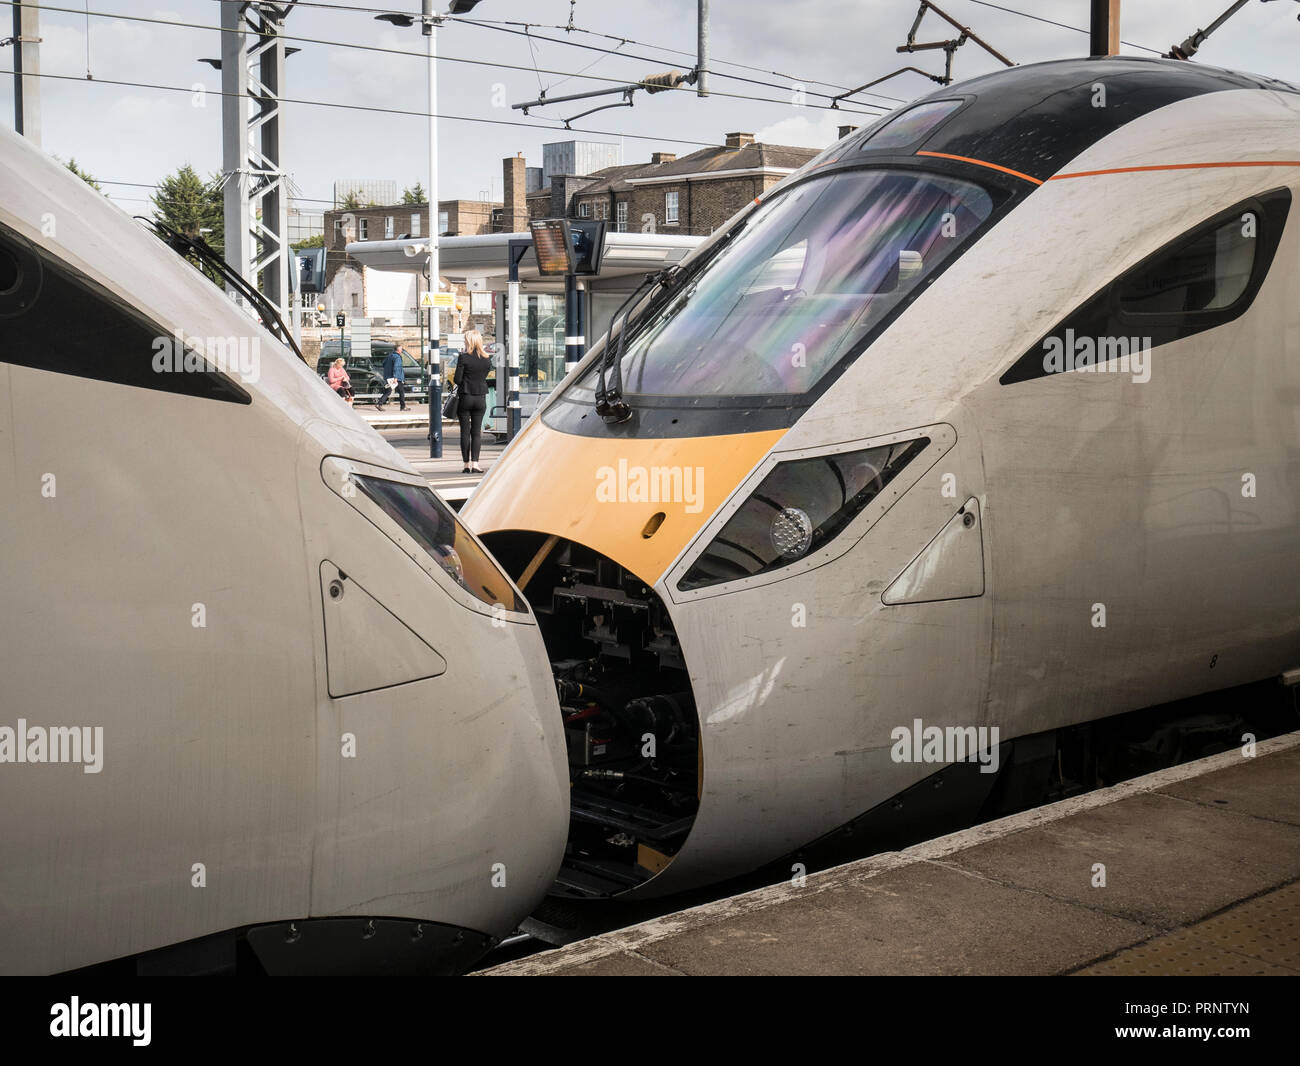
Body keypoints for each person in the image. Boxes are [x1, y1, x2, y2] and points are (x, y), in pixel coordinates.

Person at [453, 329, 492, 474]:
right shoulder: (487, 359)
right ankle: (475, 463)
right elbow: (484, 375)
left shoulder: (463, 358)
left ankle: (466, 465)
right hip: (480, 397)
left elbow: (457, 379)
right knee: (476, 432)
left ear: (468, 341)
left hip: (466, 397)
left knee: (465, 432)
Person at [378, 344, 408, 411]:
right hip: (396, 378)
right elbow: (396, 367)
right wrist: (395, 377)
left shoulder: (389, 356)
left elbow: (383, 364)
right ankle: (403, 407)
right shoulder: (397, 357)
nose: (402, 350)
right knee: (401, 392)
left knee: (388, 392)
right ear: (398, 350)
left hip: (388, 377)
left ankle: (379, 404)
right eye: (401, 349)